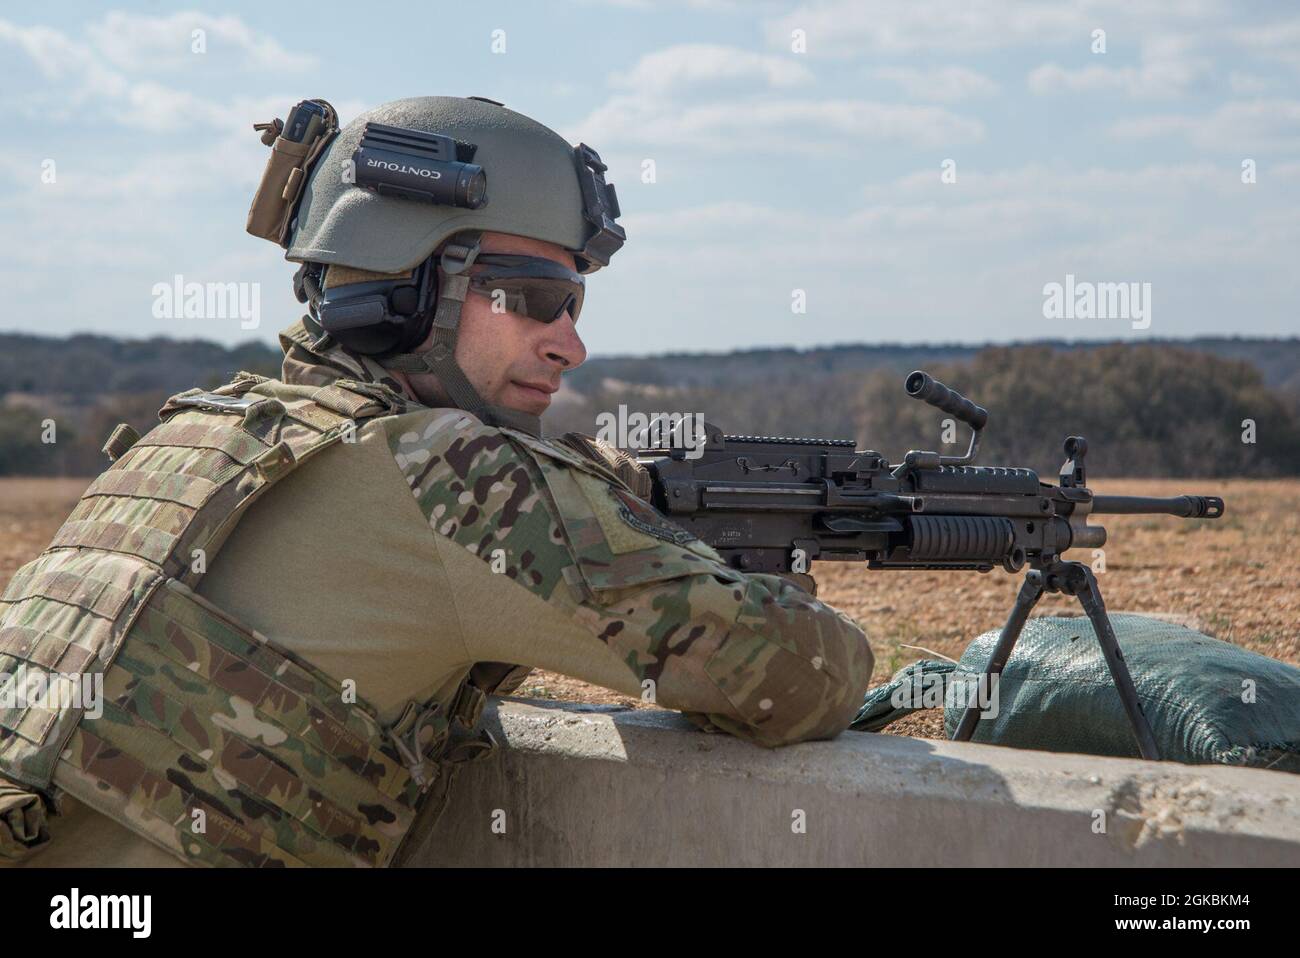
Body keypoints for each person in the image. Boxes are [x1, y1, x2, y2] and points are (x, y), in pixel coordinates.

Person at [0, 96, 873, 868]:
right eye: (533, 297)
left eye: (577, 305)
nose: (570, 345)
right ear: (412, 289)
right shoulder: (457, 476)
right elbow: (800, 680)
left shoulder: (187, 433)